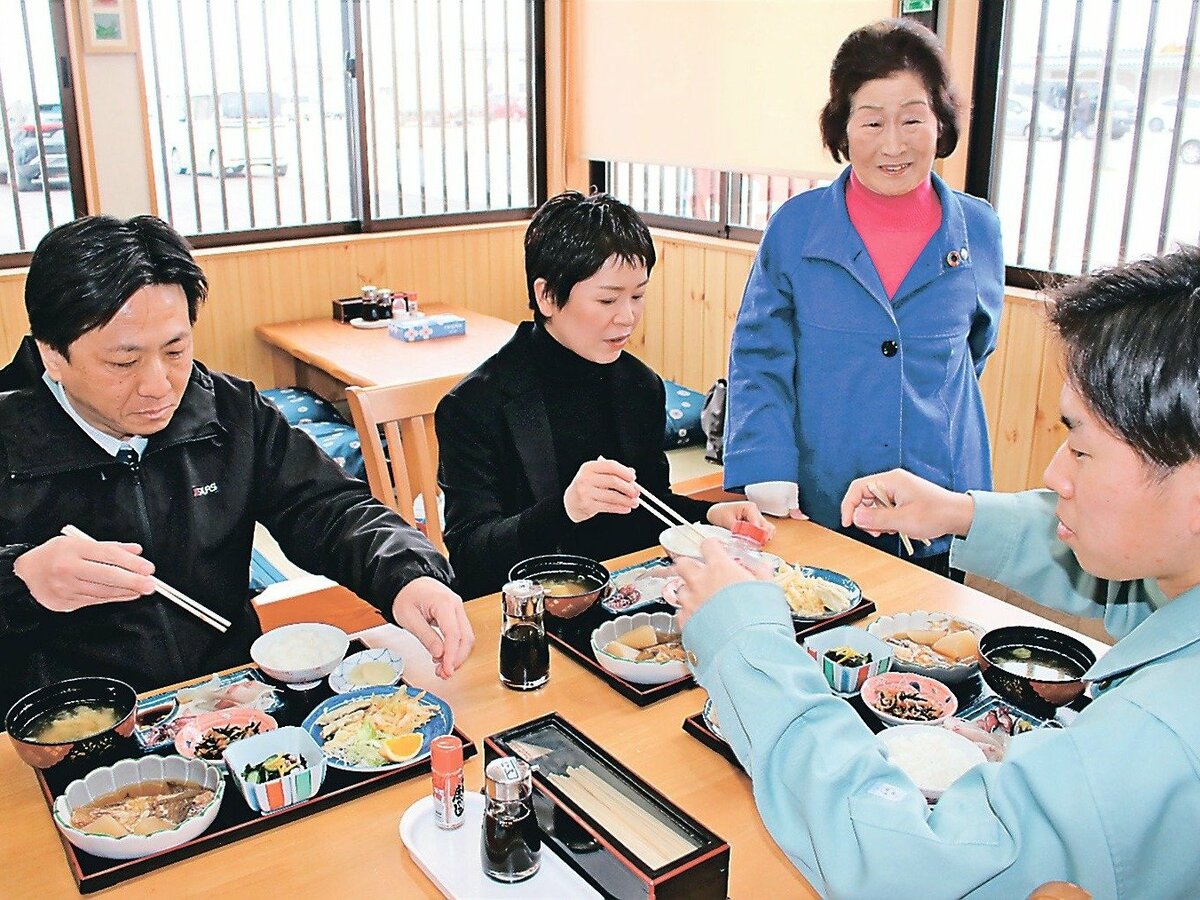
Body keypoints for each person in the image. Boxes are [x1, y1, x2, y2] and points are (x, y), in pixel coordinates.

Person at [670, 245, 1200, 898]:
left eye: (1083, 447)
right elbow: (1139, 574)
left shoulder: (1161, 735)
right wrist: (956, 513)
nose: (1055, 473)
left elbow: (909, 864)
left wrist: (748, 647)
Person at [0, 215, 473, 714]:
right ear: (52, 354)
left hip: (229, 701)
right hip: (67, 726)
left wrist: (407, 574)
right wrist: (19, 580)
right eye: (124, 363)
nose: (158, 385)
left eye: (176, 350)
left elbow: (327, 507)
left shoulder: (228, 414)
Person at [723, 18, 1005, 576]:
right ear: (842, 128)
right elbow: (759, 357)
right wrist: (768, 465)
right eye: (872, 121)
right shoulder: (796, 226)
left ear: (940, 122)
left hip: (937, 496)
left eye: (912, 119)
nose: (893, 143)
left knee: (924, 647)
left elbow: (975, 348)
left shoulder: (979, 228)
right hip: (818, 495)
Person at [436, 191, 770, 600]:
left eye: (638, 295)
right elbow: (471, 557)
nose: (627, 317)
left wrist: (709, 515)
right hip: (529, 616)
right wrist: (567, 508)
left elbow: (648, 507)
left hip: (624, 601)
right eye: (608, 299)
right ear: (546, 296)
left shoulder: (640, 386)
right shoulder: (474, 406)